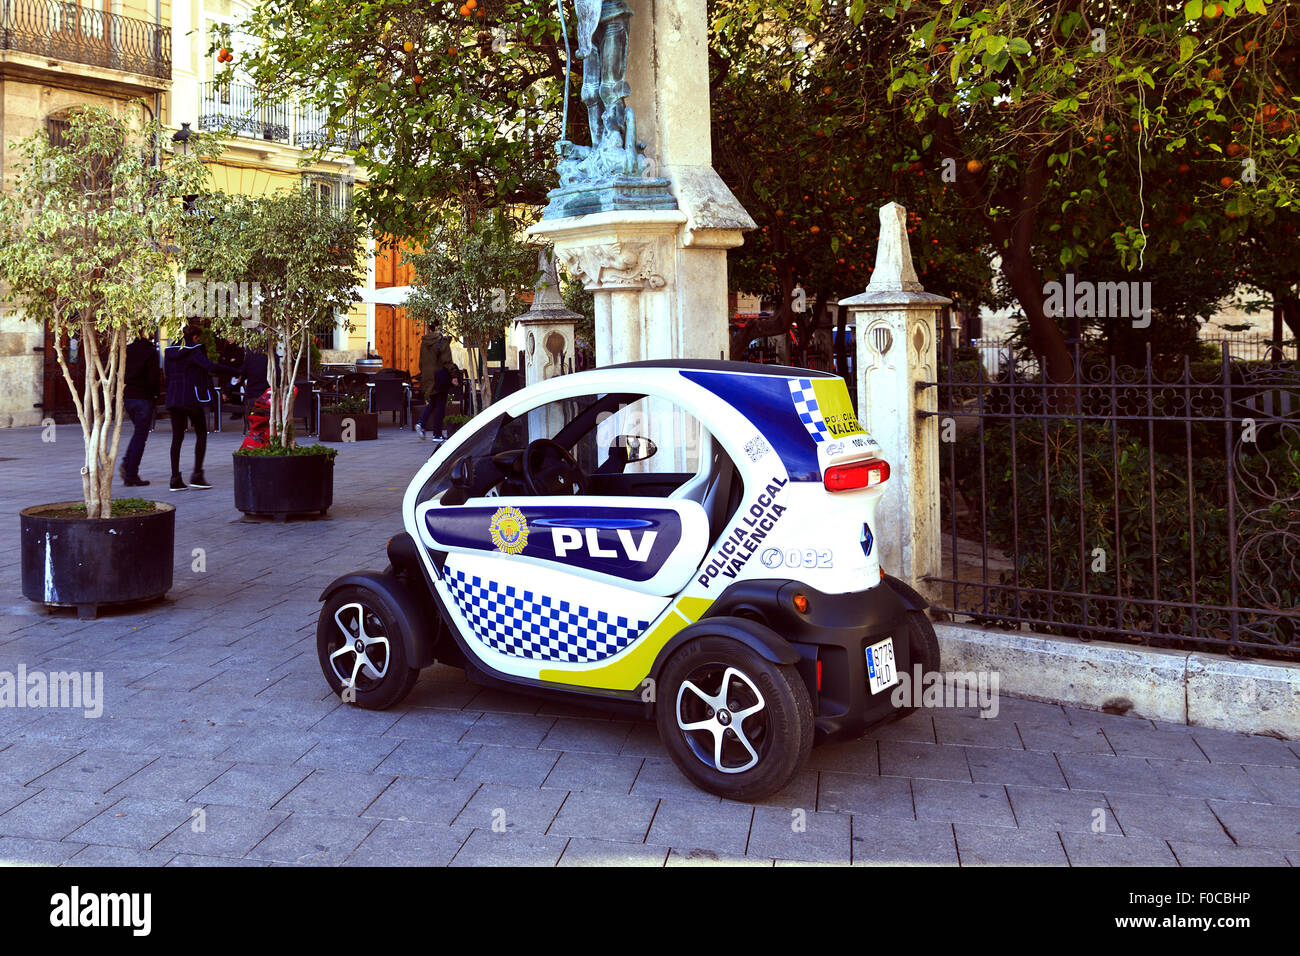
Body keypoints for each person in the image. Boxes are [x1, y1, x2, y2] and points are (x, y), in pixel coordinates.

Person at [164, 325, 239, 492]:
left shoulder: (169, 352)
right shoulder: (193, 351)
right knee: (201, 434)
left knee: (177, 438)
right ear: (196, 337)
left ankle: (175, 478)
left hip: (173, 398)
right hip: (190, 398)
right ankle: (197, 474)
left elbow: (166, 376)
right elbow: (210, 367)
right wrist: (235, 370)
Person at [120, 330, 160, 487]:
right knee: (140, 437)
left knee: (138, 434)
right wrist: (155, 395)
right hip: (143, 397)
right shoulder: (150, 352)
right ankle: (131, 473)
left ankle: (127, 463)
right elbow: (153, 377)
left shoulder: (127, 350)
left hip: (128, 395)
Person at [416, 329, 455, 442]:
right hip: (439, 377)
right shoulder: (442, 341)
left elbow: (420, 362)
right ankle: (437, 434)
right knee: (440, 405)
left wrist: (425, 374)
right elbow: (447, 361)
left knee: (433, 402)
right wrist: (454, 375)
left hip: (428, 376)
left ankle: (421, 423)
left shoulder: (424, 342)